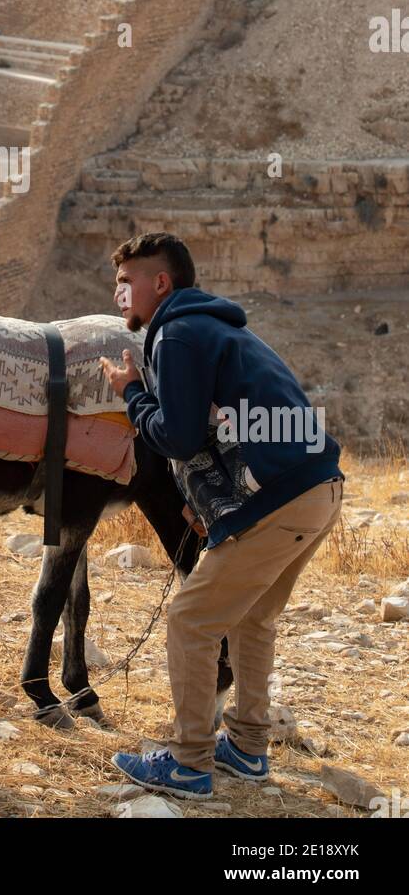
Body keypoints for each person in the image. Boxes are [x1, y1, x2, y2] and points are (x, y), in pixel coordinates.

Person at [100, 231, 343, 801]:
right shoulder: (216, 326)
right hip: (318, 489)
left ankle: (187, 763)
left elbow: (179, 437)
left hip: (279, 499)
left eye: (126, 282)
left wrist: (132, 393)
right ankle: (249, 749)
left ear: (161, 282)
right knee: (251, 618)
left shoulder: (177, 334)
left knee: (191, 620)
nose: (119, 294)